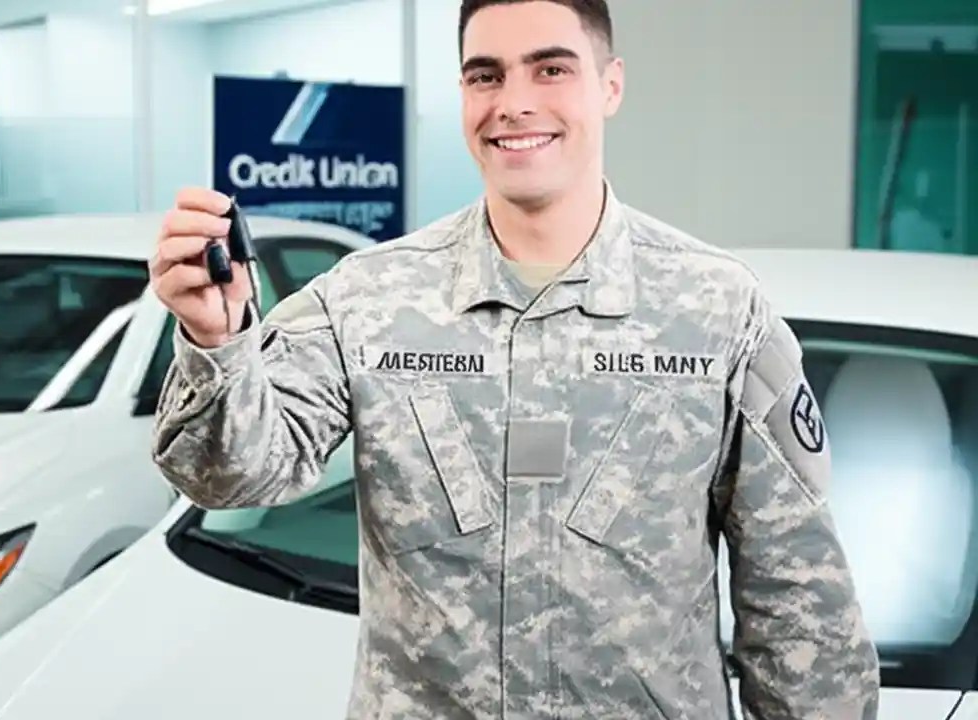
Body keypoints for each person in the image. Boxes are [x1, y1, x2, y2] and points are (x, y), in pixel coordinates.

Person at [146, 0, 881, 718]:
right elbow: (231, 476)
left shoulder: (719, 311)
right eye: (485, 75)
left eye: (551, 69)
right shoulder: (369, 299)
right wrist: (217, 341)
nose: (514, 103)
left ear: (611, 85)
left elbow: (795, 593)